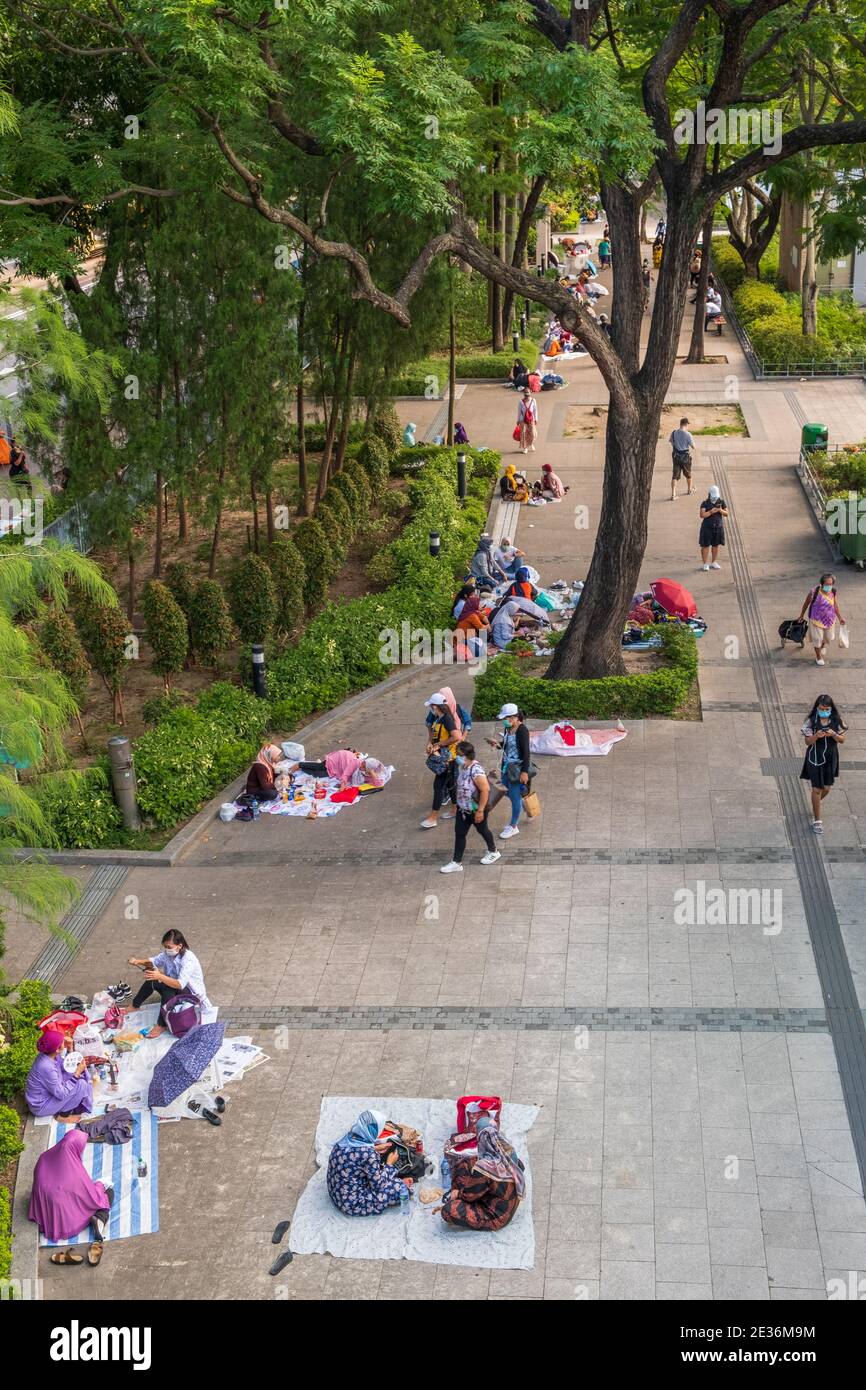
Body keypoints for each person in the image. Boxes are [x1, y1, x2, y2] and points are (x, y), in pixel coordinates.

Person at [29, 1130, 114, 1265]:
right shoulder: (75, 1173)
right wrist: (101, 1185)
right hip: (69, 1221)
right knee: (107, 1193)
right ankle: (100, 1220)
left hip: (46, 1215)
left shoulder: (44, 1157)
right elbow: (90, 1197)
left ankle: (98, 1221)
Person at [440, 1114, 525, 1231]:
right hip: (505, 1203)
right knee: (467, 1161)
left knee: (448, 1211)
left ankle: (458, 1199)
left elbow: (469, 1196)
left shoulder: (485, 1167)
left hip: (496, 1216)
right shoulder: (508, 1152)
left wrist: (457, 1194)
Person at [127, 928, 214, 1037]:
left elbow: (180, 984)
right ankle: (135, 1005)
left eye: (169, 947)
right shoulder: (167, 954)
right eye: (165, 947)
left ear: (180, 945)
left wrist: (160, 976)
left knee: (167, 988)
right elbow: (153, 962)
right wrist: (137, 961)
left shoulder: (188, 959)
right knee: (152, 977)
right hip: (175, 987)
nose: (167, 950)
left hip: (191, 994)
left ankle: (161, 1025)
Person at [326, 1110, 412, 1216]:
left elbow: (355, 1155)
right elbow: (379, 1186)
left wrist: (374, 1148)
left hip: (336, 1193)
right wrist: (390, 1164)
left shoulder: (348, 1138)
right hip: (352, 1204)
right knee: (403, 1189)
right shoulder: (368, 1155)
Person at [440, 740, 501, 873]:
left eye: (459, 754)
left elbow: (485, 791)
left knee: (483, 830)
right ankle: (456, 862)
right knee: (460, 833)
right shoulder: (464, 767)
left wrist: (480, 811)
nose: (457, 756)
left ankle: (493, 851)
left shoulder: (476, 770)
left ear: (467, 755)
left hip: (475, 809)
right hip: (463, 809)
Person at [800, 695, 847, 834]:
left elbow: (842, 739)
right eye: (821, 709)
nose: (824, 711)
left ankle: (816, 804)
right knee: (817, 789)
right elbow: (807, 742)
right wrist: (816, 736)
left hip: (831, 757)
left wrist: (834, 734)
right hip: (815, 757)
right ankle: (817, 820)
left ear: (831, 708)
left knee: (826, 788)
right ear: (817, 707)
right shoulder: (811, 721)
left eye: (826, 709)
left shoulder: (836, 720)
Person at [486, 702, 533, 839]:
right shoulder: (508, 728)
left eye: (505, 718)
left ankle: (513, 826)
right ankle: (524, 803)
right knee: (505, 791)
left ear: (514, 717)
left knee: (514, 797)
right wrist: (497, 744)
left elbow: (526, 753)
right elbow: (507, 745)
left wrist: (524, 772)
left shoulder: (522, 730)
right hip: (507, 766)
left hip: (517, 769)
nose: (504, 721)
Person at [25, 1030, 93, 1121]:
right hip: (41, 1105)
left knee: (73, 1075)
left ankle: (66, 1107)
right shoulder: (46, 1066)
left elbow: (64, 1067)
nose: (64, 1044)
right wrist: (76, 1074)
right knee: (81, 1084)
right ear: (57, 1049)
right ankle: (63, 1115)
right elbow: (62, 1094)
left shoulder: (50, 1055)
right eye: (63, 1043)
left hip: (48, 1093)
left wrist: (70, 1050)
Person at [420, 690, 461, 829]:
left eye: (431, 707)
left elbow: (456, 736)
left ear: (435, 707)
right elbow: (436, 736)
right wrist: (431, 744)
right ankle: (455, 809)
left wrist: (439, 744)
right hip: (447, 759)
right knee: (450, 785)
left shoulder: (446, 719)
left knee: (438, 786)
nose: (431, 709)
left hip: (447, 759)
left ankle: (433, 817)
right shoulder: (440, 718)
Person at [798, 572, 846, 666]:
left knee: (828, 637)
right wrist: (801, 615)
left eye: (831, 584)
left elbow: (835, 605)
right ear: (821, 583)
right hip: (816, 619)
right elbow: (806, 603)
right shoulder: (814, 592)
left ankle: (823, 645)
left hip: (829, 620)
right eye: (827, 584)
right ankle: (818, 656)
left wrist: (840, 618)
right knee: (817, 638)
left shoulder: (833, 592)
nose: (829, 586)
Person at [286, 749, 385, 788]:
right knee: (320, 767)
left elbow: (379, 784)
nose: (361, 765)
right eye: (363, 762)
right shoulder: (356, 762)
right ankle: (300, 764)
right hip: (339, 758)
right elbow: (346, 774)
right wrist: (343, 784)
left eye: (364, 766)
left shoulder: (368, 774)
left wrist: (372, 774)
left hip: (339, 768)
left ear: (368, 769)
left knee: (318, 774)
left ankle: (302, 769)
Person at [699, 485, 728, 569]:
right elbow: (702, 515)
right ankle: (705, 564)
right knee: (705, 545)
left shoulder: (721, 502)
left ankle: (714, 562)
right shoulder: (705, 503)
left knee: (715, 545)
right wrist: (711, 511)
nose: (715, 498)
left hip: (718, 527)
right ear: (710, 494)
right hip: (707, 528)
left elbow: (726, 513)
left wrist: (720, 510)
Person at [670, 417, 695, 500]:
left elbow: (671, 442)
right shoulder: (688, 434)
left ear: (680, 424)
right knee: (688, 474)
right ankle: (689, 490)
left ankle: (673, 494)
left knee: (675, 476)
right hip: (685, 457)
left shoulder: (674, 433)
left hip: (676, 457)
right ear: (686, 424)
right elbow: (693, 446)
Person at [517, 389, 538, 454]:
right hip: (523, 420)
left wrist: (536, 419)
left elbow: (535, 410)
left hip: (531, 419)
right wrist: (518, 420)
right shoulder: (520, 402)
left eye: (528, 392)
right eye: (525, 392)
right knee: (524, 434)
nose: (526, 393)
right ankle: (525, 448)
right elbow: (519, 411)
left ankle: (531, 444)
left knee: (532, 433)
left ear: (530, 392)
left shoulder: (533, 400)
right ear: (523, 393)